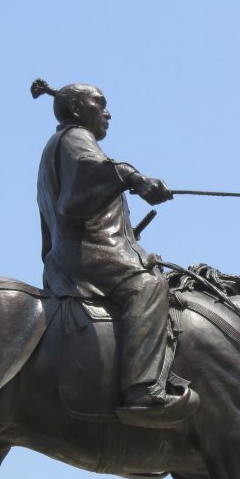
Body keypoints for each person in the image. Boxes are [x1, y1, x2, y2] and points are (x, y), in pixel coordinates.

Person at [31, 78, 200, 427]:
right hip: (88, 257)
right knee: (149, 287)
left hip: (74, 255)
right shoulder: (76, 138)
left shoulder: (58, 146)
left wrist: (131, 239)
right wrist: (136, 179)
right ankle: (142, 389)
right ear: (77, 109)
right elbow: (92, 176)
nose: (107, 113)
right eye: (100, 104)